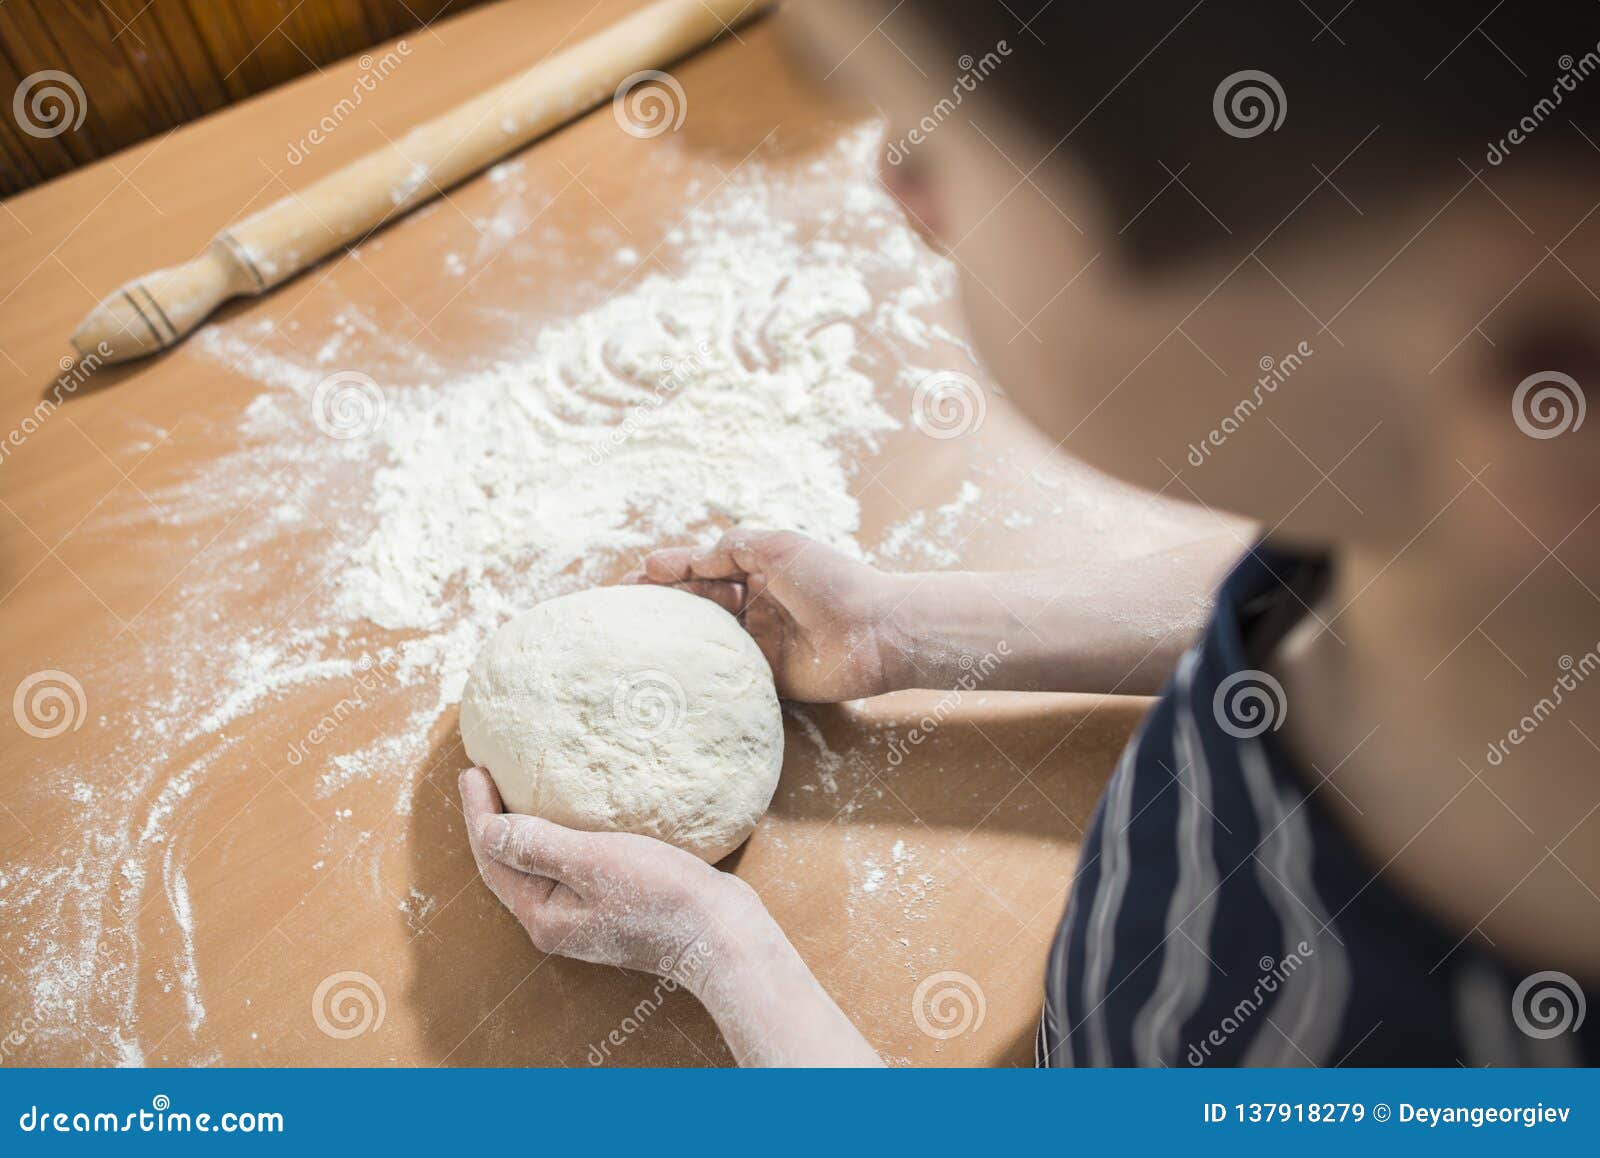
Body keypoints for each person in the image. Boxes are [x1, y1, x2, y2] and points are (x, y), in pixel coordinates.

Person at [459, 0, 1600, 1065]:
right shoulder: (1472, 521)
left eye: (953, 133)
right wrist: (900, 630)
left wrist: (725, 954)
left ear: (1529, 348)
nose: (901, 181)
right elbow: (1324, 560)